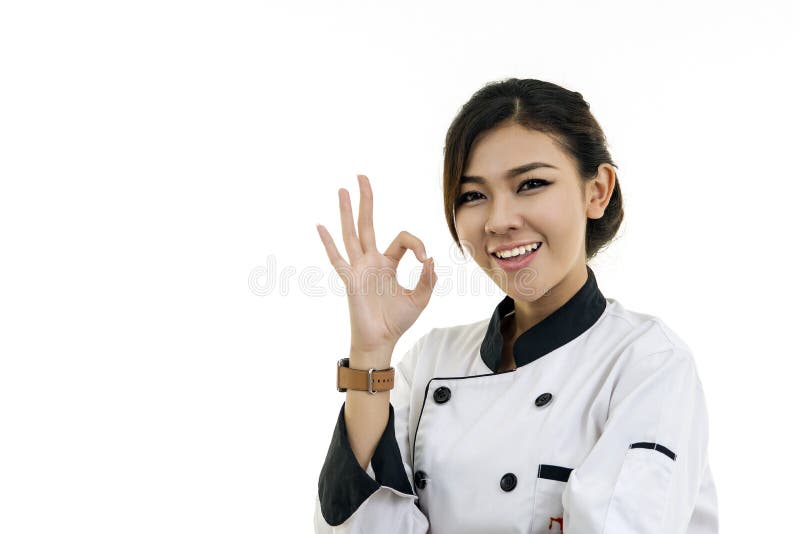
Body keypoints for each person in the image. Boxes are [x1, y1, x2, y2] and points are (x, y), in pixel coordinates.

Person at [312, 78, 718, 533]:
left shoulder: (649, 364)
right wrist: (371, 352)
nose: (499, 220)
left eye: (531, 183)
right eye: (473, 195)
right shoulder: (430, 361)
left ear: (597, 191)